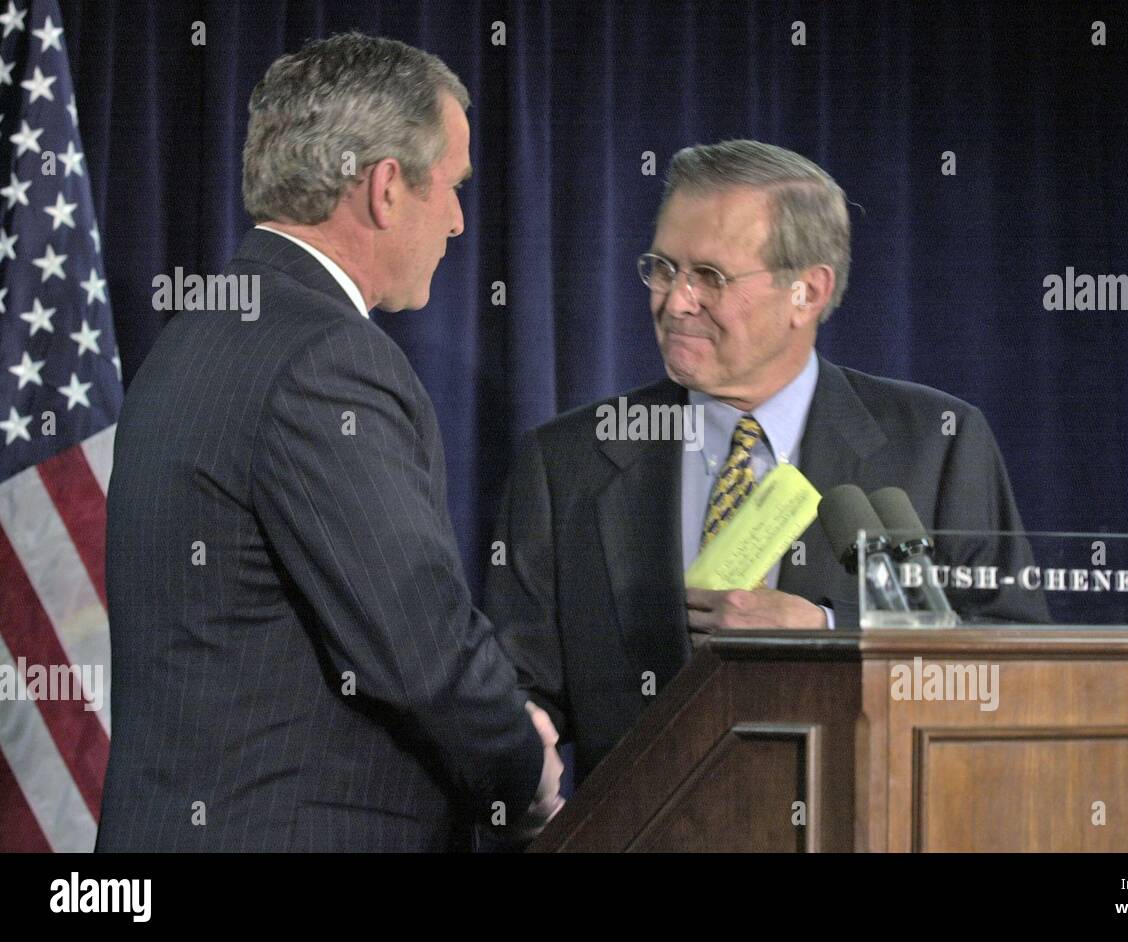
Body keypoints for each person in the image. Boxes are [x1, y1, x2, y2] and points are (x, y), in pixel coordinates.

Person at [97, 33, 561, 852]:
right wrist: (526, 768)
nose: (458, 222)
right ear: (386, 187)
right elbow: (420, 647)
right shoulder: (325, 358)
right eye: (453, 188)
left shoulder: (200, 333)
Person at [485, 140, 1048, 785]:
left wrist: (832, 637)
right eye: (663, 268)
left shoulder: (939, 443)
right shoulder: (566, 464)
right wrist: (527, 756)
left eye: (710, 277)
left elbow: (1011, 668)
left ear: (807, 291)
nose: (675, 302)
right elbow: (517, 689)